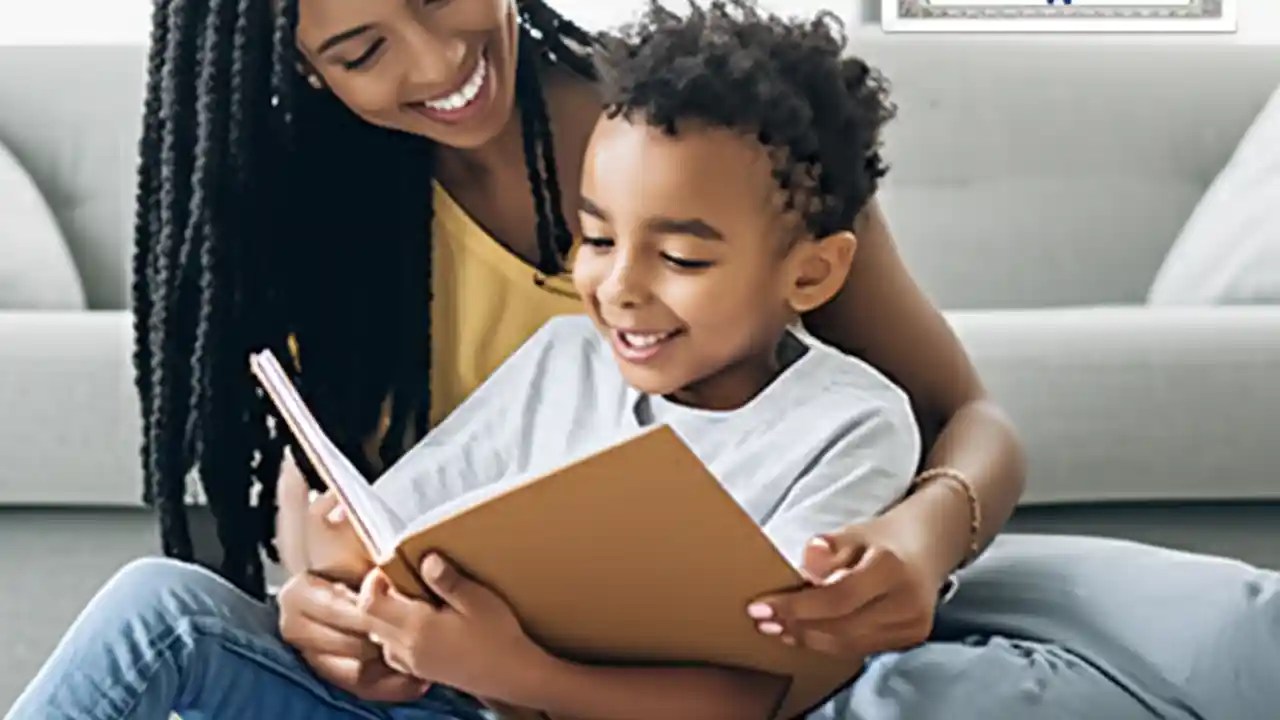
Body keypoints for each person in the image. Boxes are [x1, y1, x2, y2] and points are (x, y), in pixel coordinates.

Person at [116, 0, 1279, 717]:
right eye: (365, 48)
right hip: (451, 672)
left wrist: (920, 539)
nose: (437, 60)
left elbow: (958, 414)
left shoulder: (707, 136)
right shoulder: (302, 219)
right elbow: (316, 520)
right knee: (160, 612)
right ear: (309, 70)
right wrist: (326, 605)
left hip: (701, 643)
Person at [8, 18, 920, 715]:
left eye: (680, 259)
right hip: (445, 697)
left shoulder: (846, 427)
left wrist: (519, 673)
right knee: (158, 606)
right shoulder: (569, 355)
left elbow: (763, 695)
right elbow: (397, 529)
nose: (619, 288)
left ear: (811, 272)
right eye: (595, 238)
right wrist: (341, 572)